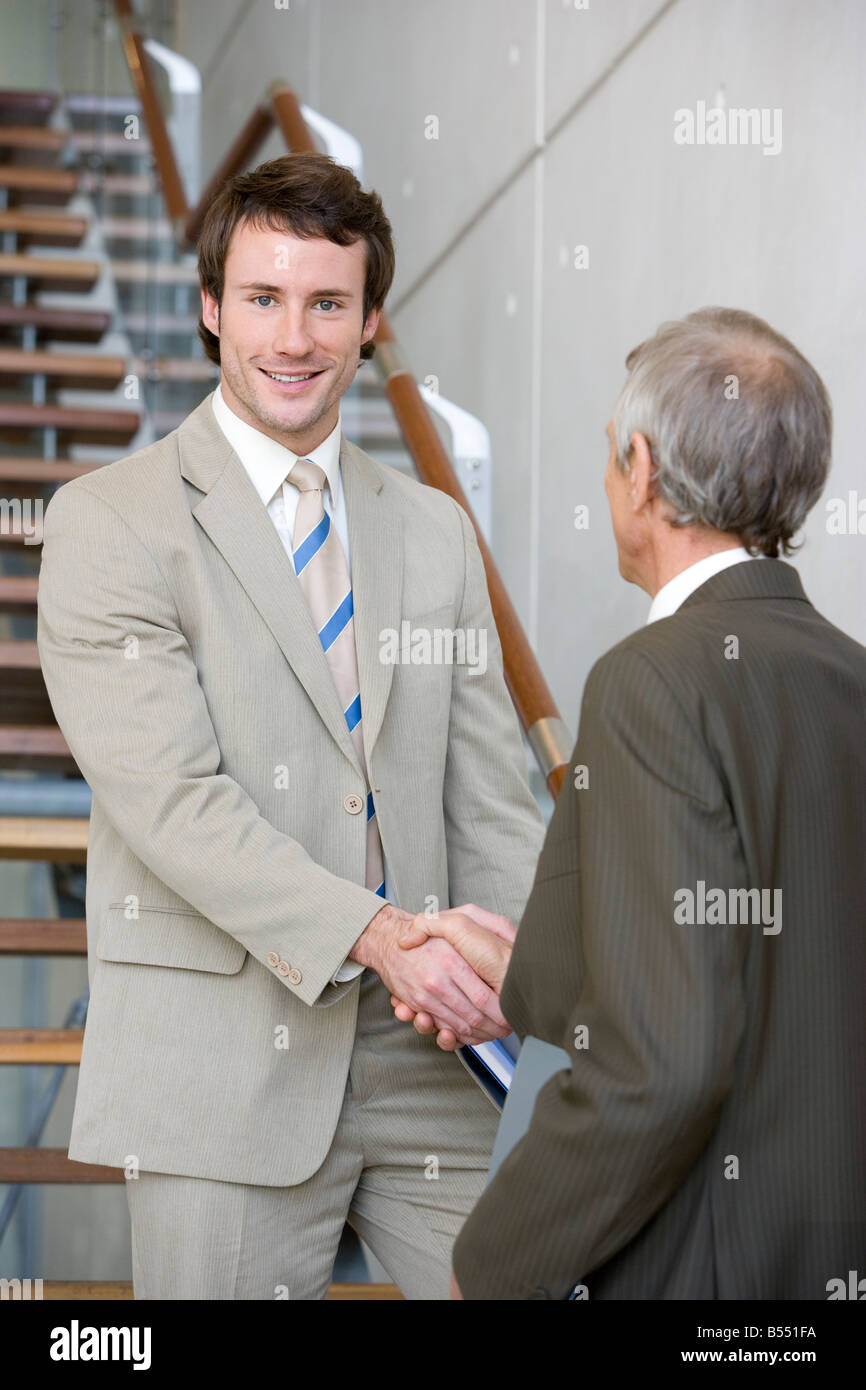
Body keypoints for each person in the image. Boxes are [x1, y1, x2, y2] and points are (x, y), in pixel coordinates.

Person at [36, 152, 545, 1300]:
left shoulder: (432, 531)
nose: (293, 338)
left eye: (327, 303)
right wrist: (379, 933)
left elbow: (490, 800)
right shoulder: (108, 524)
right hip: (221, 1056)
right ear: (212, 307)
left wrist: (517, 975)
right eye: (262, 299)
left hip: (434, 1048)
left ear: (369, 322)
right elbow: (175, 803)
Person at [414, 307, 866, 1298]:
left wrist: (491, 1266)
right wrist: (533, 970)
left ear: (642, 469)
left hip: (705, 1260)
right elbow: (758, 957)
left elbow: (659, 1062)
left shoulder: (649, 682)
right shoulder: (847, 677)